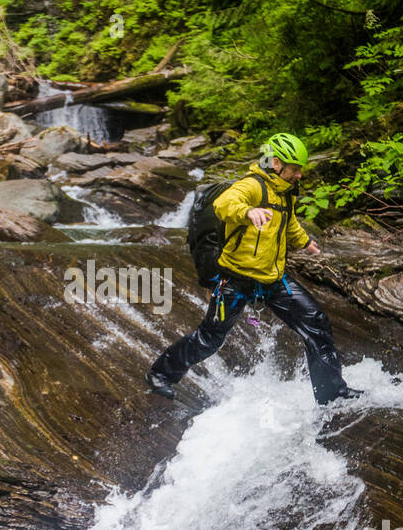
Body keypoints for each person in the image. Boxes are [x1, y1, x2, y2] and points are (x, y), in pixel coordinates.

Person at [145, 132, 360, 403]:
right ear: (277, 164)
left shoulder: (285, 194)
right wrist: (247, 212)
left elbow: (288, 223)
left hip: (272, 280)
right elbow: (224, 204)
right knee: (208, 339)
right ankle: (160, 374)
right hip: (234, 280)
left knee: (316, 323)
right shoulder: (252, 186)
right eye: (295, 169)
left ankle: (331, 393)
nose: (299, 175)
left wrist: (305, 242)